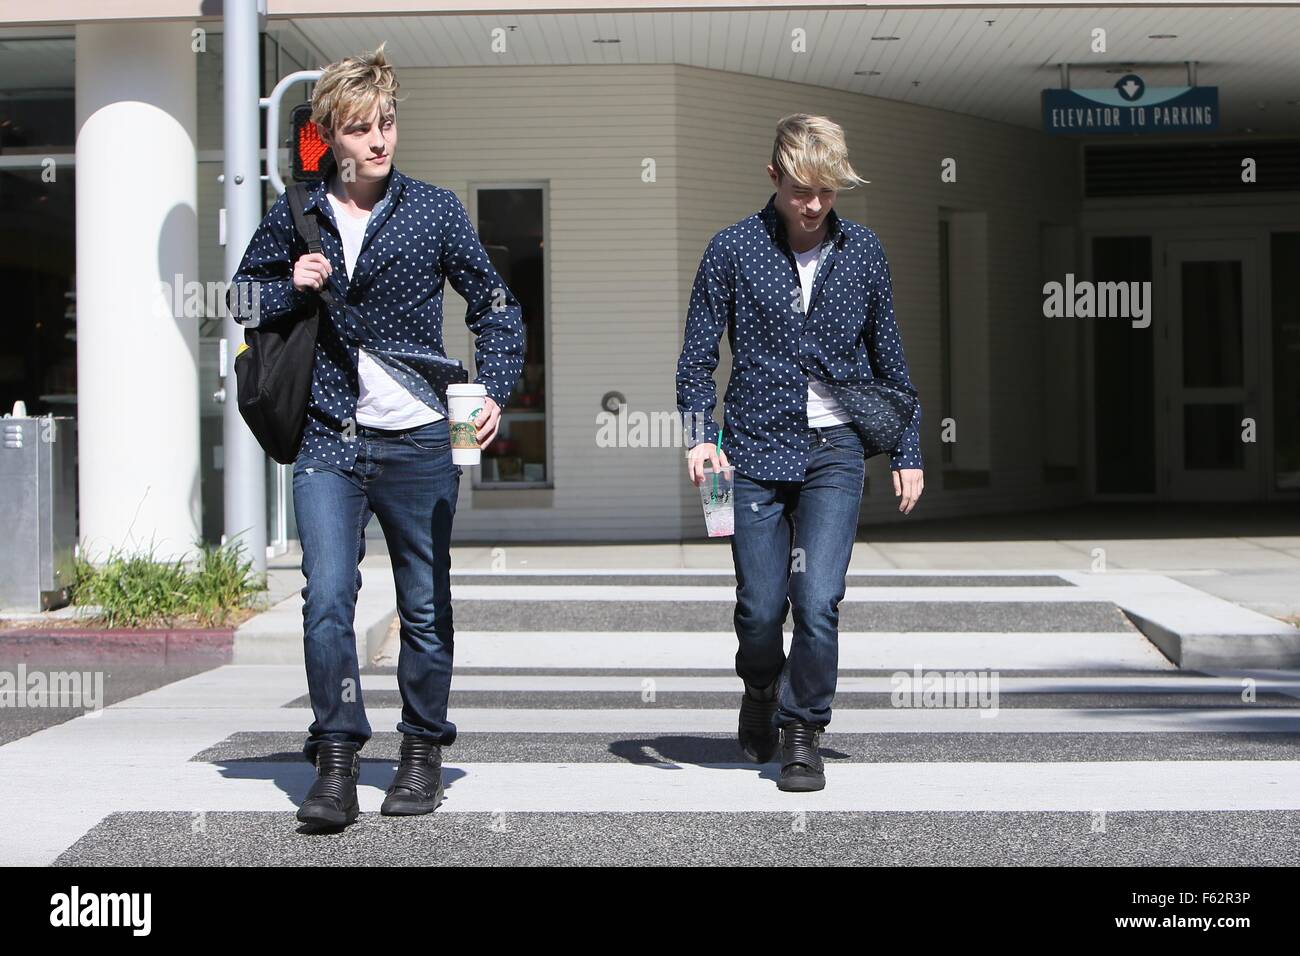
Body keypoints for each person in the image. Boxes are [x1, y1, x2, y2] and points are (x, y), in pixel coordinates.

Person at [229, 43, 524, 828]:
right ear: (332, 133)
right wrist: (288, 285)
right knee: (327, 598)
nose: (379, 141)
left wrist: (493, 388)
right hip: (328, 435)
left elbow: (496, 304)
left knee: (423, 605)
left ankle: (423, 750)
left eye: (387, 123)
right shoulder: (299, 213)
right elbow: (241, 303)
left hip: (421, 438)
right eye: (362, 129)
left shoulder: (433, 210)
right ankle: (336, 755)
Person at [676, 113, 924, 792]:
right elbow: (698, 358)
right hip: (750, 453)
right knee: (760, 608)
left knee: (816, 599)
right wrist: (700, 435)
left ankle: (802, 730)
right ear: (774, 177)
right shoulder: (731, 249)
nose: (812, 205)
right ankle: (760, 688)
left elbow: (888, 358)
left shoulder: (865, 252)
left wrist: (908, 447)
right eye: (799, 190)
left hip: (834, 453)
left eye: (826, 191)